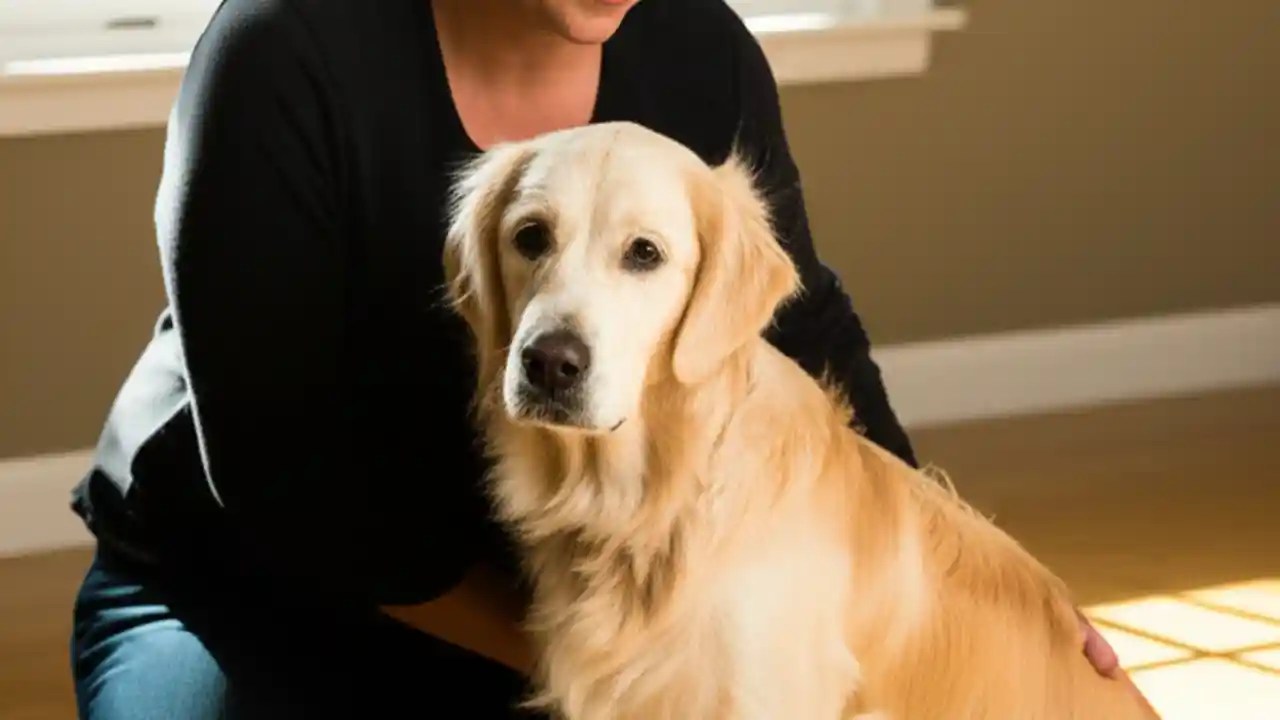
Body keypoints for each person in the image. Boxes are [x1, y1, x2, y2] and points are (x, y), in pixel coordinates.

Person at [67, 0, 1147, 717]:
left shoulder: (698, 48)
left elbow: (805, 329)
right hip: (241, 588)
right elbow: (283, 485)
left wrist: (971, 595)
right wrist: (634, 666)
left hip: (530, 590)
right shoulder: (282, 49)